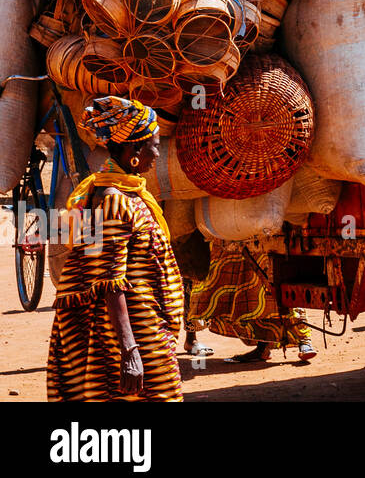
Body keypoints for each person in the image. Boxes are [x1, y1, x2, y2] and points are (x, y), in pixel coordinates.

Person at [47, 97, 184, 402]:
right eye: (155, 145)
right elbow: (110, 280)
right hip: (131, 331)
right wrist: (129, 349)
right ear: (134, 151)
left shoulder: (127, 192)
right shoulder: (113, 198)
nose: (157, 154)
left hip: (144, 325)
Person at [188, 240, 316, 364]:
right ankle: (263, 347)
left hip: (264, 231)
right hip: (235, 233)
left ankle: (304, 340)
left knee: (278, 282)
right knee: (250, 292)